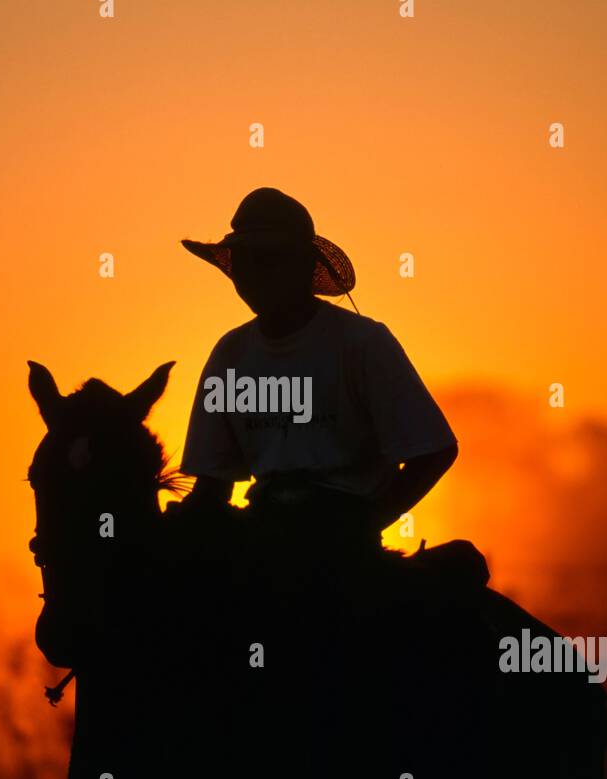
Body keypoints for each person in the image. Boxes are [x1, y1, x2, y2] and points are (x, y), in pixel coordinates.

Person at [178, 187, 457, 555]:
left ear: (304, 267)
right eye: (245, 262)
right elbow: (214, 482)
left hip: (347, 548)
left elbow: (434, 451)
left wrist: (365, 523)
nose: (253, 276)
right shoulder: (229, 356)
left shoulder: (362, 343)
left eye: (270, 260)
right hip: (262, 535)